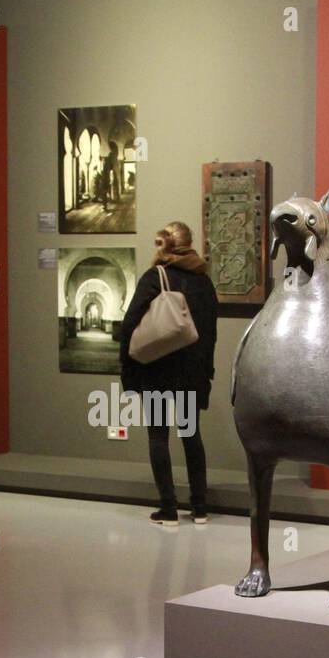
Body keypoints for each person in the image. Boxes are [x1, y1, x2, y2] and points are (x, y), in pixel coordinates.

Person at [119, 222, 218, 526]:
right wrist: (206, 370)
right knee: (191, 434)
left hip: (157, 370)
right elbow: (210, 333)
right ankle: (199, 507)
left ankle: (168, 508)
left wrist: (127, 367)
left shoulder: (155, 277)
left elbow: (129, 324)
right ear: (189, 243)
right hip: (191, 373)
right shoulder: (204, 281)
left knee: (158, 436)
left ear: (164, 244)